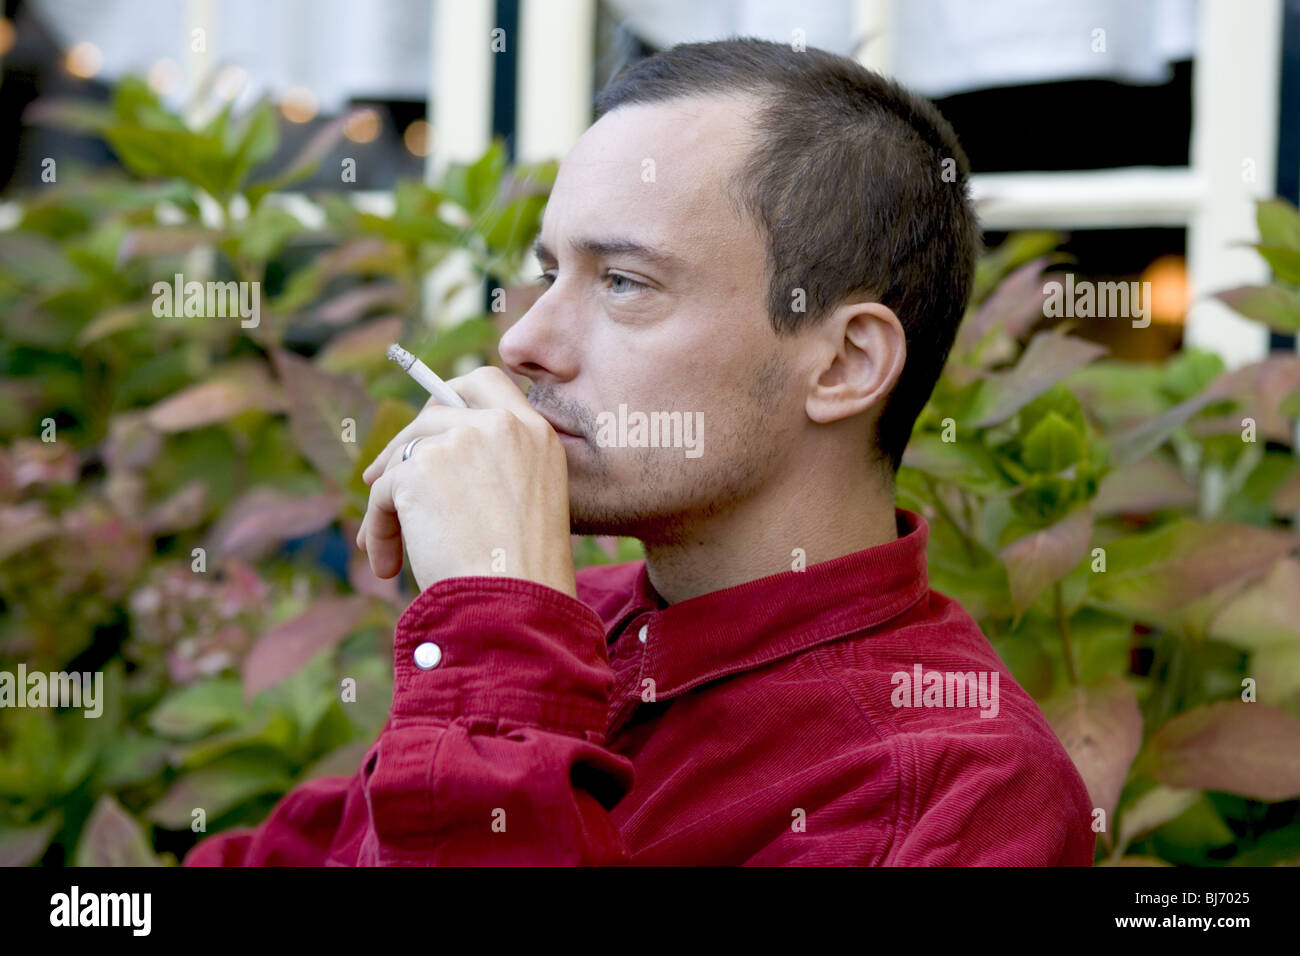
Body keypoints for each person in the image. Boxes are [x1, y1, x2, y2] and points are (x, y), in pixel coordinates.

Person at [185, 36, 1095, 866]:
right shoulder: (582, 623)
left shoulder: (956, 791)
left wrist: (501, 641)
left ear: (845, 363)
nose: (524, 343)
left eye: (623, 282)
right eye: (550, 273)